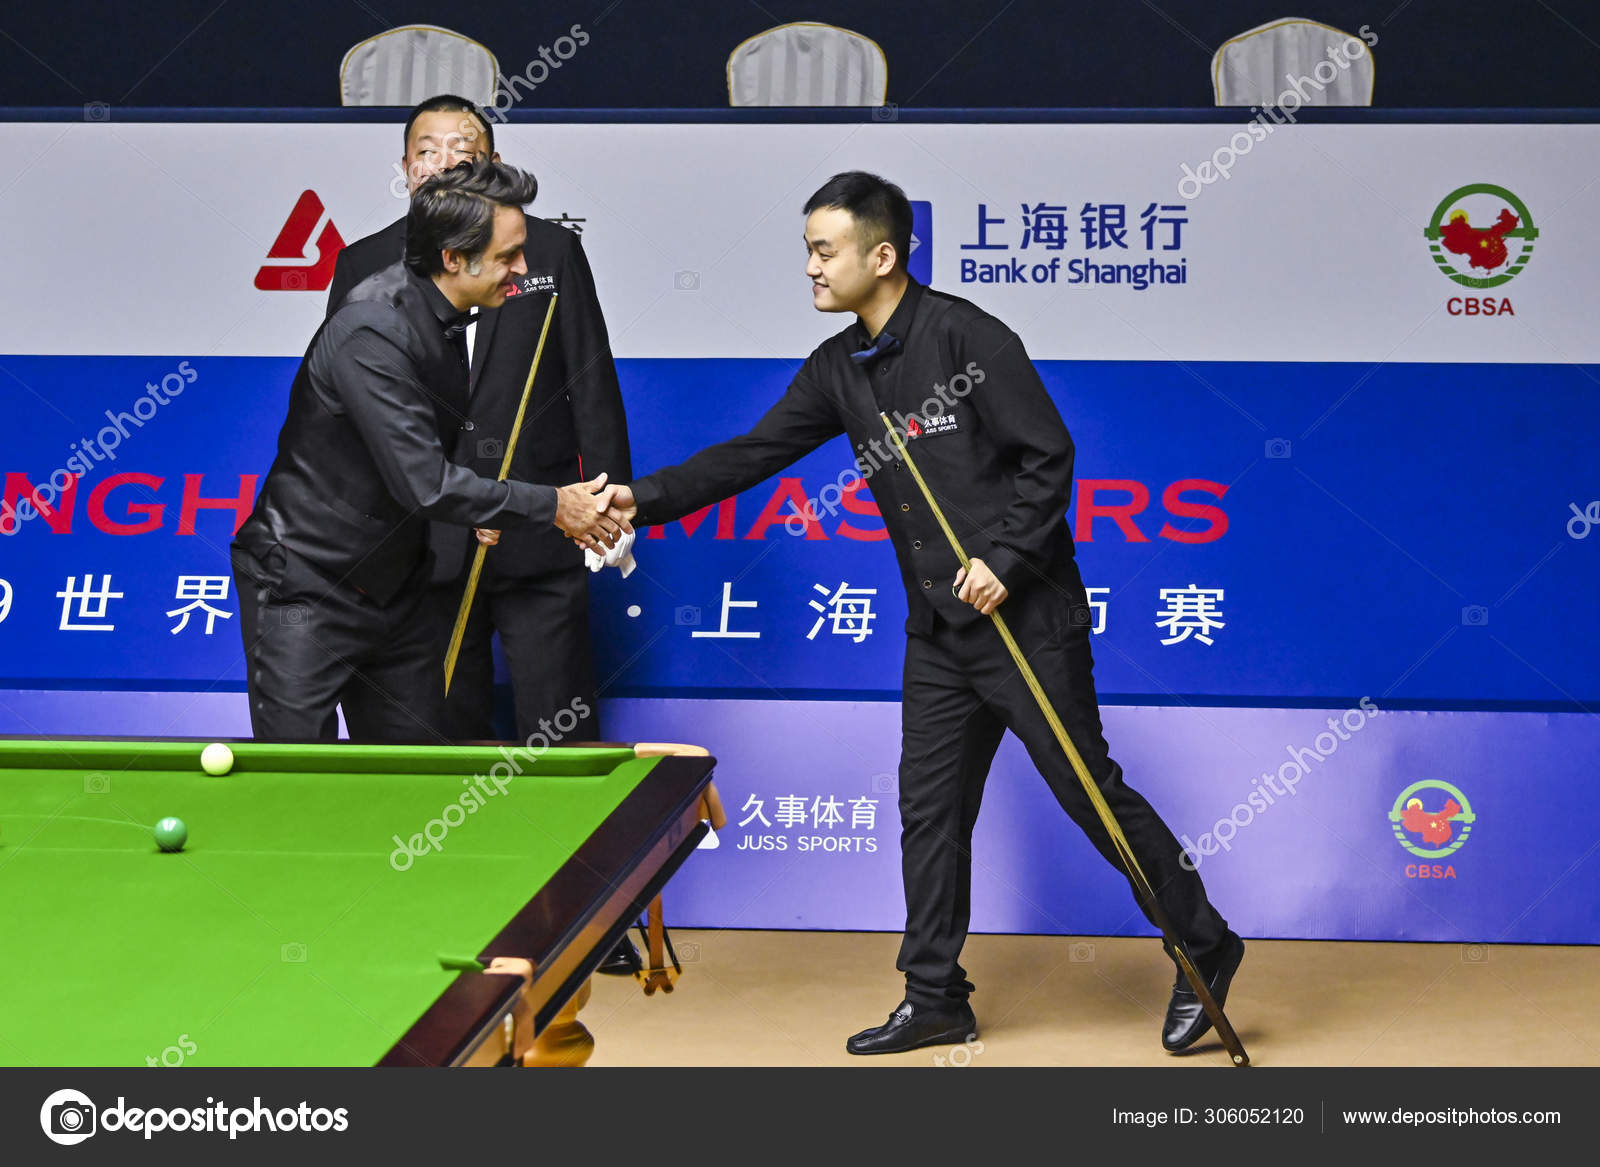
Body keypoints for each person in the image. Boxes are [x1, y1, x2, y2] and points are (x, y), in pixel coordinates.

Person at [599, 171, 1244, 1054]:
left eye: (824, 251)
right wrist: (637, 498)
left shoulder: (969, 338)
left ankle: (1204, 940)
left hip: (1026, 618)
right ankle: (936, 992)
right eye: (808, 252)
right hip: (939, 633)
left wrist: (1007, 561)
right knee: (929, 809)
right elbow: (750, 455)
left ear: (883, 255)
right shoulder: (838, 368)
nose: (812, 269)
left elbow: (1048, 457)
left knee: (1089, 792)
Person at [232, 158, 625, 744]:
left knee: (415, 773)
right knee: (297, 779)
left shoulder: (447, 314)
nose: (522, 270)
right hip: (307, 583)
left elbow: (430, 460)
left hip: (399, 589)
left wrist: (484, 511)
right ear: (452, 258)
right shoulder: (371, 329)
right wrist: (554, 506)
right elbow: (426, 484)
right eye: (507, 257)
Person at [327, 95, 631, 746]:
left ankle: (575, 850)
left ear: (491, 166)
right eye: (426, 152)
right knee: (440, 737)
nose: (442, 165)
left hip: (544, 531)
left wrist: (609, 507)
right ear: (404, 167)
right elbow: (349, 418)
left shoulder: (548, 249)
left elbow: (591, 385)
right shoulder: (361, 264)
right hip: (420, 545)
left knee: (562, 733)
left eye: (462, 154)